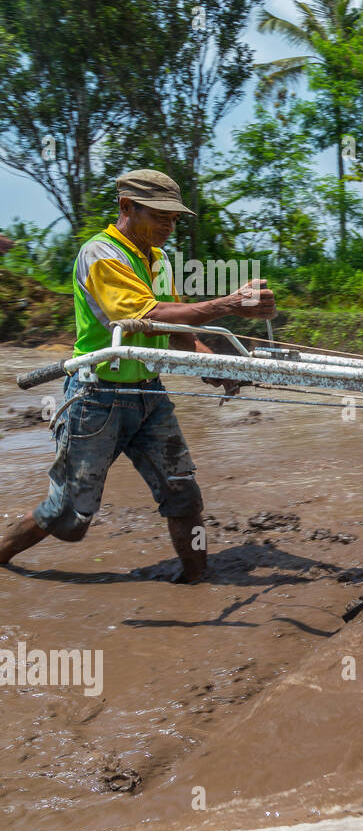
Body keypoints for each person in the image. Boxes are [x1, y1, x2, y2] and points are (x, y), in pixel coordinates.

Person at [0, 169, 275, 582]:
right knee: (68, 512)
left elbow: (175, 329)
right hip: (96, 398)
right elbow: (143, 316)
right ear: (127, 207)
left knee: (184, 495)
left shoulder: (159, 260)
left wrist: (216, 367)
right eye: (160, 215)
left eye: (174, 218)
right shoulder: (101, 254)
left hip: (149, 396)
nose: (168, 226)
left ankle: (198, 580)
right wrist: (230, 303)